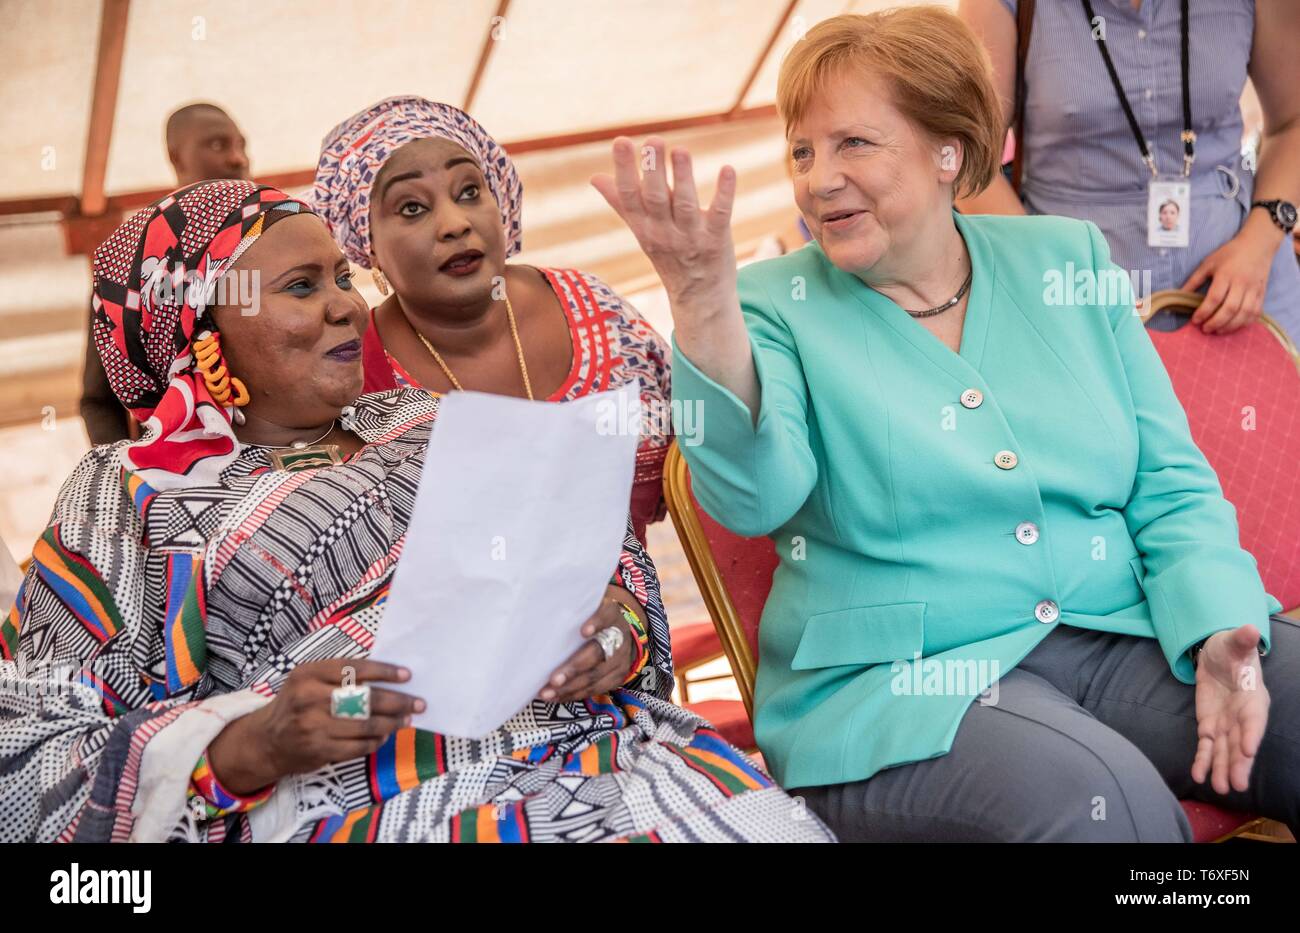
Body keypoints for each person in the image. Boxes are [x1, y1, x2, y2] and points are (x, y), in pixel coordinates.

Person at [594, 7, 1300, 841]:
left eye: (853, 143)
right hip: (902, 681)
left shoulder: (1068, 260)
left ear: (948, 151)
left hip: (1116, 628)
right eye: (802, 150)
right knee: (1107, 808)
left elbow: (1168, 479)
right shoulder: (766, 304)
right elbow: (754, 497)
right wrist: (701, 306)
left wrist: (1221, 622)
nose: (819, 178)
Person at [0, 180, 832, 843]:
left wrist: (616, 630)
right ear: (199, 331)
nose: (348, 306)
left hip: (609, 755)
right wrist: (253, 741)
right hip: (369, 803)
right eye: (301, 286)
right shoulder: (130, 491)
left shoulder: (428, 418)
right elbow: (29, 753)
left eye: (341, 278)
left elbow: (602, 567)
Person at [312, 98, 672, 541]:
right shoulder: (351, 373)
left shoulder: (597, 311)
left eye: (469, 191)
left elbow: (708, 473)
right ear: (366, 243)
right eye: (411, 208)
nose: (454, 223)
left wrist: (695, 290)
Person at [956, 0, 1300, 337]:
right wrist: (1045, 275)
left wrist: (1260, 241)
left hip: (1245, 292)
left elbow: (1292, 123)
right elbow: (966, 159)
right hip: (1074, 305)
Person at [80, 103, 253, 446]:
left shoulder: (270, 239)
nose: (238, 158)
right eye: (218, 145)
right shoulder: (130, 264)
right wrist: (132, 472)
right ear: (177, 158)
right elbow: (98, 401)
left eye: (242, 145)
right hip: (181, 473)